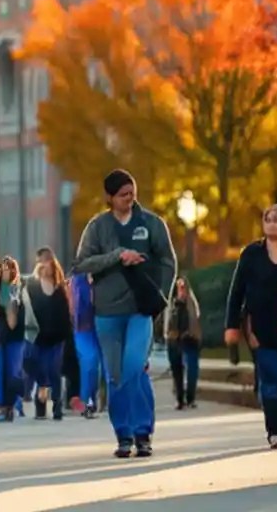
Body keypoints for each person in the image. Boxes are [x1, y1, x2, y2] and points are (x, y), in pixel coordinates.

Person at [72, 169, 177, 459]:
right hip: (107, 312)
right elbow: (81, 264)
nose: (129, 199)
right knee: (115, 374)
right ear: (109, 197)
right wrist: (116, 256)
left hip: (140, 309)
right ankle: (124, 434)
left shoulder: (152, 224)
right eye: (122, 195)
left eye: (132, 193)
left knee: (134, 366)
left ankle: (143, 431)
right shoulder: (98, 227)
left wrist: (161, 296)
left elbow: (168, 262)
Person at [226, 203, 277, 449]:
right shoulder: (252, 253)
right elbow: (237, 290)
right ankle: (274, 432)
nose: (272, 223)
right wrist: (231, 325)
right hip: (258, 325)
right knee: (270, 376)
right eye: (268, 219)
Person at [21, 248, 73, 421]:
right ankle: (41, 398)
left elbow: (65, 313)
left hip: (57, 336)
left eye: (46, 261)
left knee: (54, 370)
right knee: (37, 367)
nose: (44, 265)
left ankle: (57, 404)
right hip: (37, 336)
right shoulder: (31, 286)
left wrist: (67, 333)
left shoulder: (60, 287)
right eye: (40, 262)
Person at [0, 257, 27, 423]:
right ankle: (0, 406)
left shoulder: (18, 290)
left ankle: (14, 405)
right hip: (0, 336)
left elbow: (13, 321)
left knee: (14, 372)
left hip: (16, 336)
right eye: (4, 268)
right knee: (0, 372)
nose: (6, 272)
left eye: (10, 268)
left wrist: (10, 306)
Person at [164, 277, 202, 410]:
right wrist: (169, 335)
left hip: (190, 340)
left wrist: (191, 334)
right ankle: (180, 399)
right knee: (177, 371)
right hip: (174, 341)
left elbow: (195, 321)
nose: (181, 290)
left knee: (192, 370)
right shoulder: (171, 304)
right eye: (179, 287)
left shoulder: (191, 304)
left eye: (183, 286)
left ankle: (191, 397)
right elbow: (166, 323)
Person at [69, 268, 102, 418]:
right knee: (89, 362)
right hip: (83, 327)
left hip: (104, 324)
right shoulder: (77, 279)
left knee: (103, 368)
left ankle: (96, 400)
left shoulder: (105, 274)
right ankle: (87, 401)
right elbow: (72, 304)